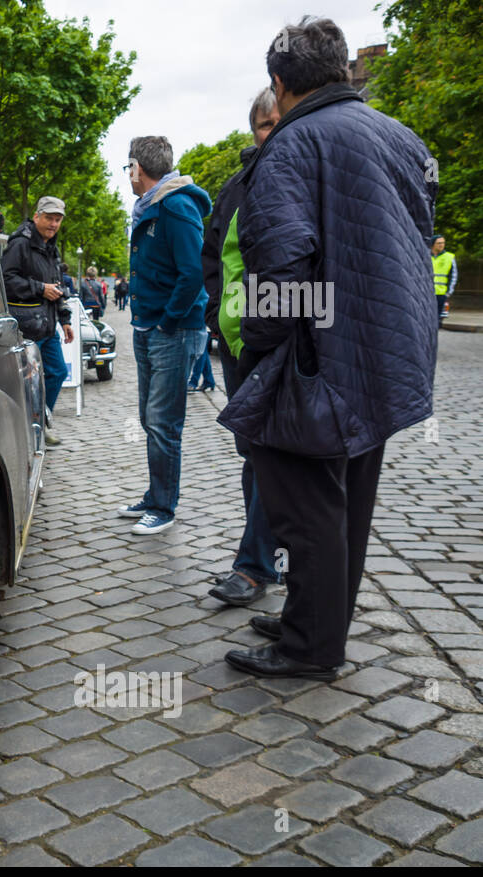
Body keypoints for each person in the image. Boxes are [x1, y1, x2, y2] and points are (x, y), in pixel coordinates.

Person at [220, 17, 437, 681]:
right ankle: (318, 623)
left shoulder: (292, 145)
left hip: (320, 359)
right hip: (389, 351)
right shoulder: (402, 138)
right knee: (349, 503)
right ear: (342, 70)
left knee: (306, 507)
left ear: (279, 85)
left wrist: (257, 348)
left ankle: (310, 647)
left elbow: (282, 275)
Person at [203, 86, 282, 608]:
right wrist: (219, 319)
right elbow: (213, 258)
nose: (270, 132)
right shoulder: (235, 187)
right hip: (238, 349)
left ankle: (256, 564)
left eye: (278, 121)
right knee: (255, 454)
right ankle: (269, 559)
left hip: (285, 347)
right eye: (263, 124)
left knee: (279, 456)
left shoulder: (306, 179)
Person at [117, 135, 211, 534]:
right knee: (150, 419)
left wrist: (168, 321)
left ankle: (165, 508)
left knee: (163, 422)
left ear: (138, 167)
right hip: (149, 327)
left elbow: (192, 273)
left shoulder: (175, 205)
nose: (128, 174)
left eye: (128, 166)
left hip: (171, 331)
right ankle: (155, 496)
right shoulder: (152, 206)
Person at [1, 196, 75, 446]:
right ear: (36, 217)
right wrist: (39, 288)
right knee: (26, 383)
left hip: (47, 326)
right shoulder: (20, 244)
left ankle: (41, 422)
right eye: (49, 218)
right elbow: (6, 281)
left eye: (58, 220)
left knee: (57, 372)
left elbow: (58, 285)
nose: (53, 224)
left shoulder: (51, 247)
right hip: (25, 327)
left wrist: (65, 318)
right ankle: (26, 432)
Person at [431, 234, 456, 328]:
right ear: (433, 244)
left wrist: (449, 292)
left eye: (443, 243)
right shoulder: (425, 256)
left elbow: (453, 276)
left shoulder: (449, 257)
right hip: (427, 292)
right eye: (439, 243)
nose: (441, 245)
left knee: (438, 320)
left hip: (441, 293)